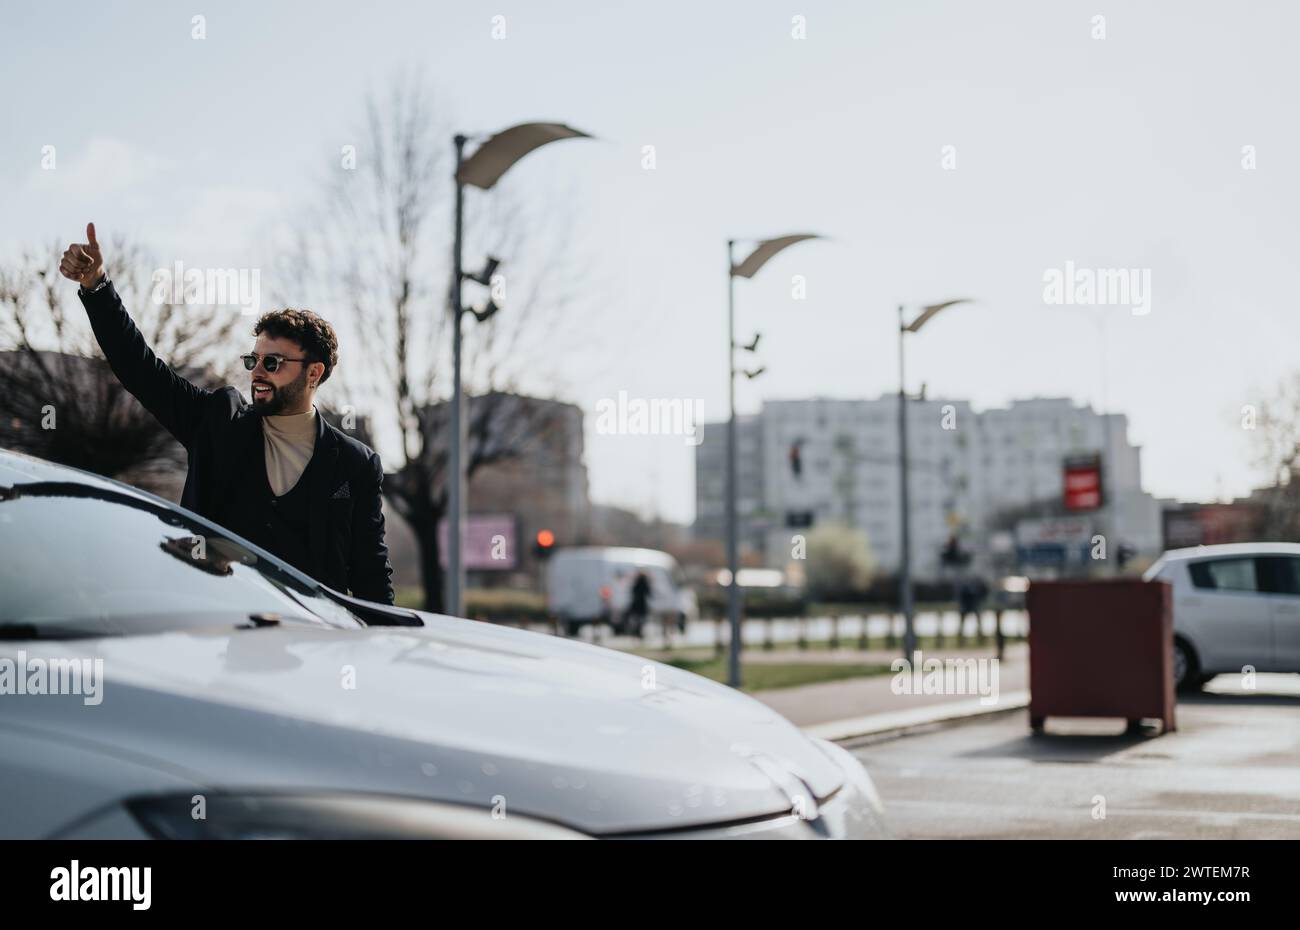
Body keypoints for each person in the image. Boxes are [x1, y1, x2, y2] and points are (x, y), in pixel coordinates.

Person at [60, 223, 394, 604]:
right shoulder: (219, 422)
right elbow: (140, 370)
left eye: (273, 361)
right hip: (210, 633)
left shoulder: (355, 464)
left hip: (310, 647)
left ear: (313, 372)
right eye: (254, 359)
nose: (257, 370)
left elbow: (371, 574)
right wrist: (97, 286)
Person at [626, 570, 652, 640]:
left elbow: (632, 591)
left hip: (636, 603)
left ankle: (636, 631)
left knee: (636, 619)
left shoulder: (636, 583)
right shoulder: (645, 583)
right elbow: (649, 593)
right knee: (641, 619)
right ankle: (638, 632)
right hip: (642, 603)